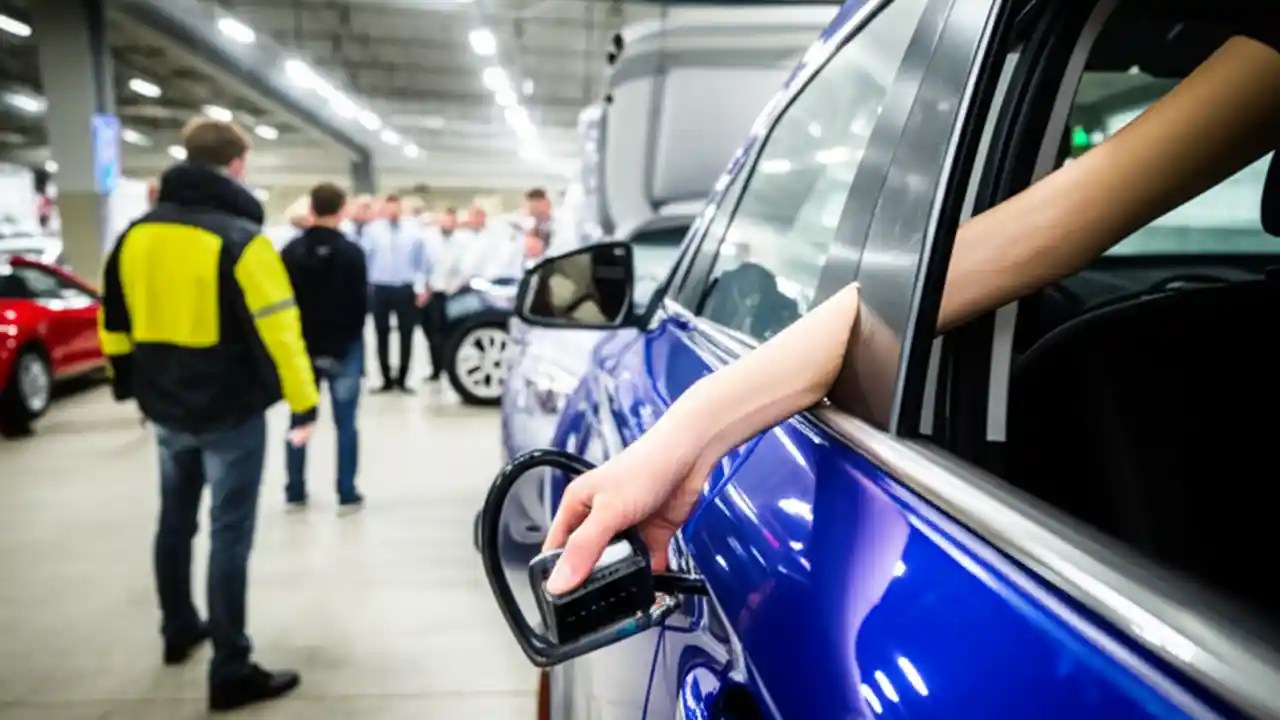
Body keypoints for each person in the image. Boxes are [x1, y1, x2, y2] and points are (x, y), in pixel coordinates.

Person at [539, 34, 1280, 596]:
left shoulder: (1133, 364)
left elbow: (1032, 235)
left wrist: (694, 429)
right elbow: (1042, 228)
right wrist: (693, 435)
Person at [98, 117, 316, 711]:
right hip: (230, 413)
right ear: (238, 165)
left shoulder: (134, 236)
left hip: (165, 409)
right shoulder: (243, 239)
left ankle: (178, 631)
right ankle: (230, 667)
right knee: (229, 535)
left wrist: (129, 387)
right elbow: (282, 331)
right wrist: (304, 401)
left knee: (174, 523)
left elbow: (112, 321)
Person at [280, 183, 368, 513]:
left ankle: (294, 489)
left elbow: (284, 304)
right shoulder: (352, 253)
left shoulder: (290, 252)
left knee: (299, 421)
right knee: (345, 424)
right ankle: (346, 493)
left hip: (303, 350)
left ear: (312, 209)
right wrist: (345, 341)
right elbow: (360, 307)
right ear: (342, 209)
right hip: (344, 349)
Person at [363, 194, 428, 392]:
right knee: (380, 333)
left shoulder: (413, 231)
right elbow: (366, 259)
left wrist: (421, 287)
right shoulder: (372, 230)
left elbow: (421, 263)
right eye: (388, 207)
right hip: (380, 287)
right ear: (383, 209)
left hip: (404, 287)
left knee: (406, 333)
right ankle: (384, 378)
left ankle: (403, 378)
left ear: (400, 208)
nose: (392, 212)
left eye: (395, 208)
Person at [420, 207, 459, 381]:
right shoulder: (429, 239)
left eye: (451, 220)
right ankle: (436, 368)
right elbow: (423, 266)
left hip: (452, 293)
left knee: (448, 333)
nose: (447, 223)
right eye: (445, 220)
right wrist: (423, 288)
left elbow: (463, 268)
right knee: (432, 333)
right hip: (432, 292)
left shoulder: (461, 241)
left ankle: (447, 367)